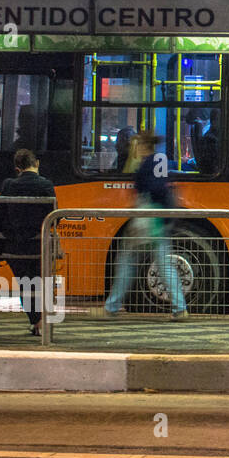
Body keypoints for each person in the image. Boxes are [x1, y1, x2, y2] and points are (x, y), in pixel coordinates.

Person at [92, 132, 188, 320]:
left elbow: (148, 189)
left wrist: (143, 206)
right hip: (159, 219)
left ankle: (111, 307)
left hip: (146, 219)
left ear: (142, 146)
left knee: (126, 262)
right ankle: (180, 308)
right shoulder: (160, 160)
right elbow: (164, 187)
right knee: (164, 265)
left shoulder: (146, 164)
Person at [0, 149, 56, 336]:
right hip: (39, 244)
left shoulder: (9, 185)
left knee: (25, 283)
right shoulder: (46, 185)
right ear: (36, 163)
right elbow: (55, 217)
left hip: (16, 245)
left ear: (17, 168)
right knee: (40, 281)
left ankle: (35, 320)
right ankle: (42, 321)